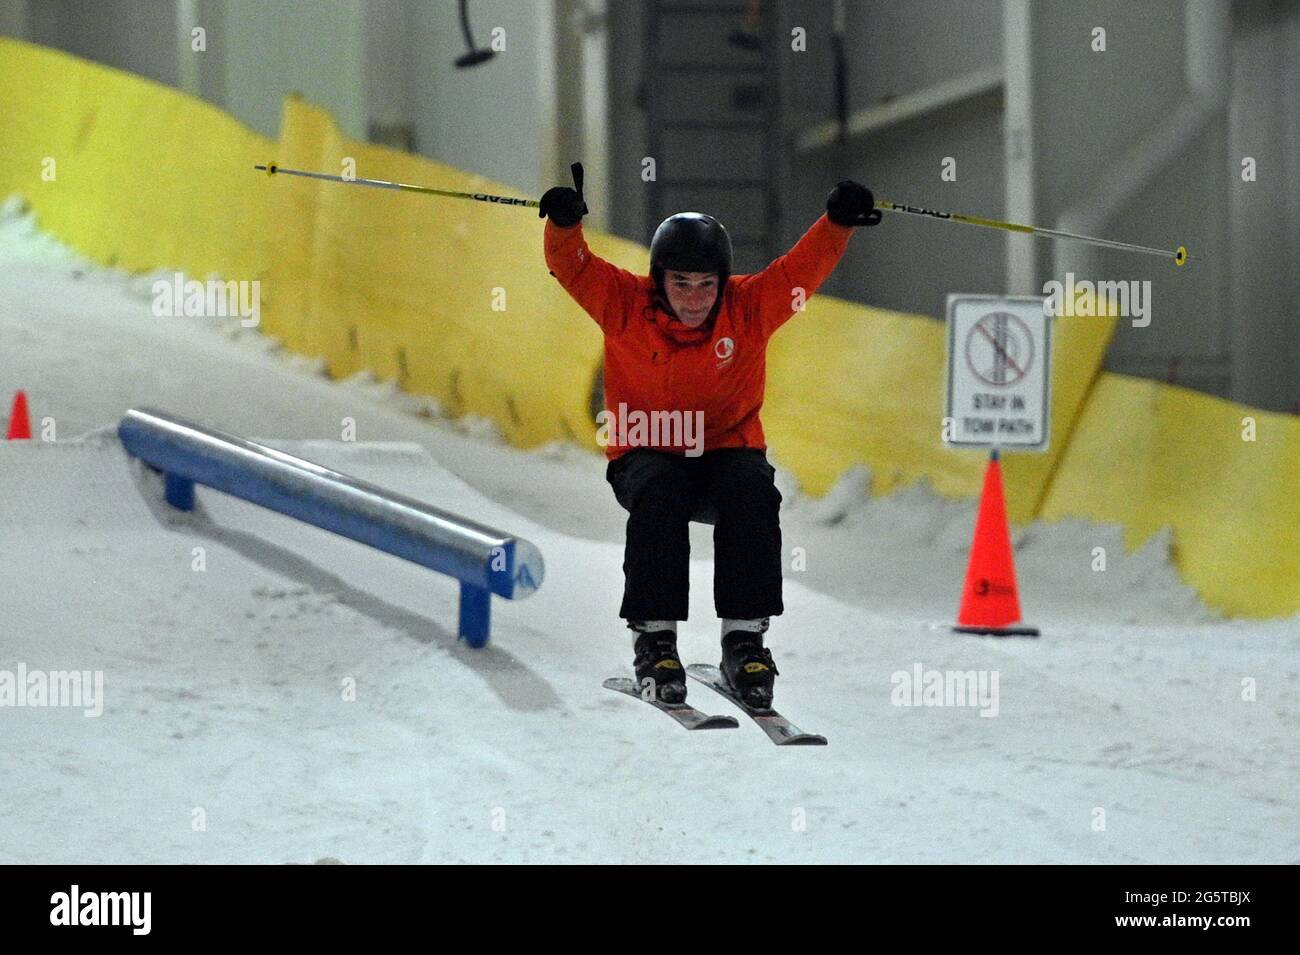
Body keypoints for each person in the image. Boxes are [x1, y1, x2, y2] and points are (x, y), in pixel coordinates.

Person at [540, 174, 880, 708]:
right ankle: (655, 641)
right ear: (659, 280)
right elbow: (571, 266)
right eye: (681, 283)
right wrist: (564, 224)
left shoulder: (748, 308)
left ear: (723, 281)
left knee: (753, 492)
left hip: (725, 452)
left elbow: (801, 270)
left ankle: (744, 640)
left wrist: (836, 223)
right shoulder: (624, 303)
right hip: (647, 450)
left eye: (706, 284)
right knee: (659, 491)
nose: (694, 298)